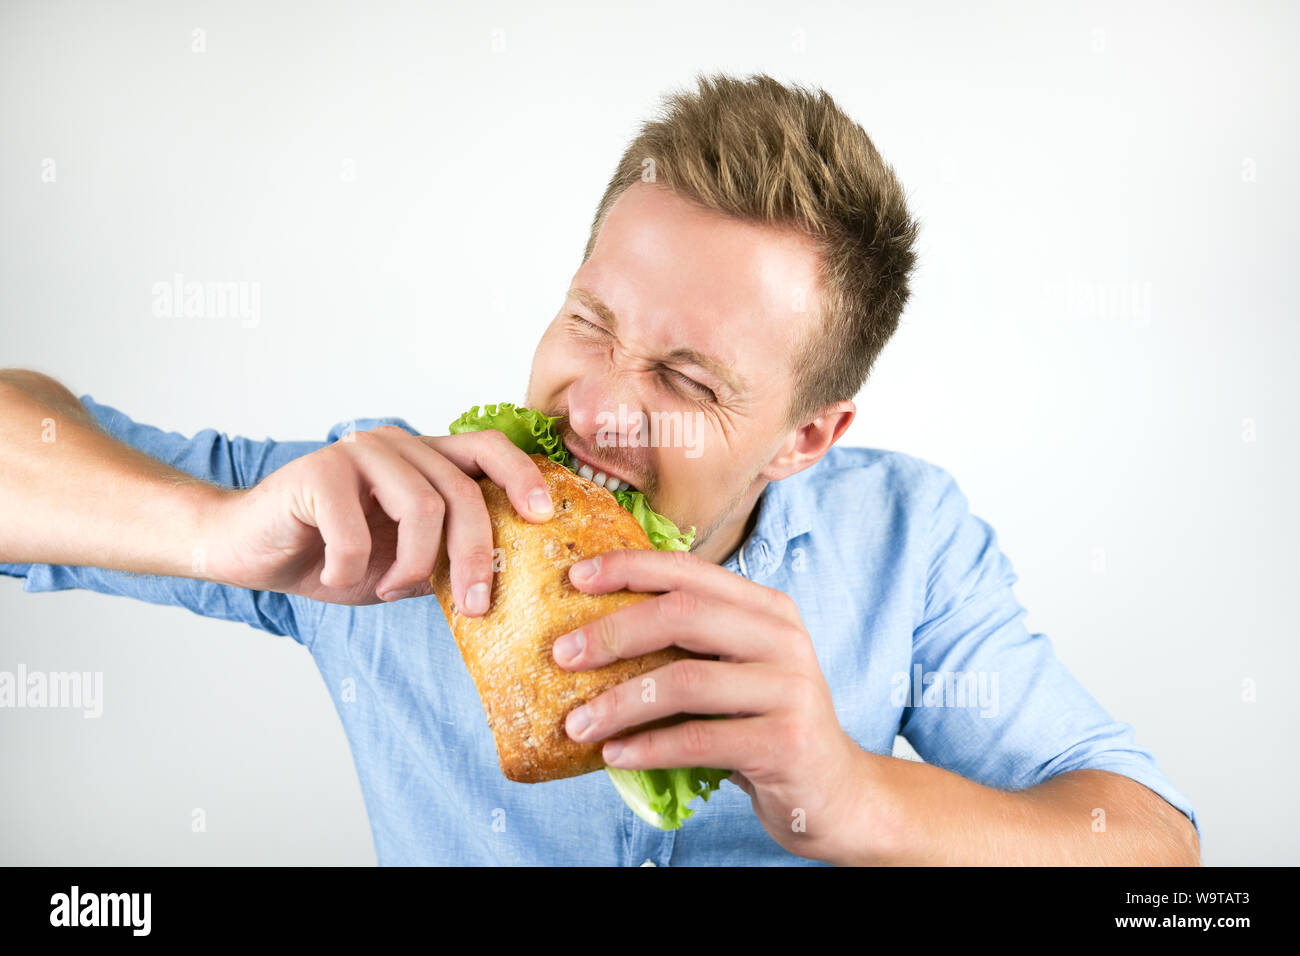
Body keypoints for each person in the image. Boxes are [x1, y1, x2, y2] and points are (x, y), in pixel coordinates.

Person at [0, 72, 1199, 865]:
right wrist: (214, 530)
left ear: (805, 437)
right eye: (589, 322)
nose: (598, 410)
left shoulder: (904, 539)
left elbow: (1155, 851)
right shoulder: (383, 515)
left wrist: (850, 793)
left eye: (687, 378)